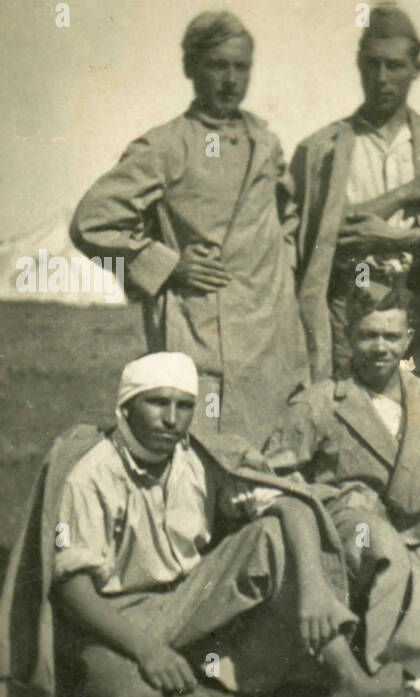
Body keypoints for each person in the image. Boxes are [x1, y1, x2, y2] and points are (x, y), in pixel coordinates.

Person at [0, 352, 420, 697]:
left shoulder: (198, 458)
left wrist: (314, 590)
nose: (170, 418)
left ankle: (349, 682)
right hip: (111, 614)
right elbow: (73, 591)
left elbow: (291, 507)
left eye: (182, 406)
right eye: (156, 403)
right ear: (126, 407)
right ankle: (102, 669)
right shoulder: (93, 472)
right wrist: (146, 650)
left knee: (274, 530)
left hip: (183, 599)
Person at [71, 11, 305, 447]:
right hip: (204, 335)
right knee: (202, 464)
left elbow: (286, 219)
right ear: (190, 68)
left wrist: (279, 270)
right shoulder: (167, 144)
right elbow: (92, 222)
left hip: (272, 338)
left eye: (241, 67)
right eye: (218, 66)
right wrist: (169, 265)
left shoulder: (266, 143)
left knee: (275, 466)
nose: (231, 80)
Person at [262, 286, 420, 680]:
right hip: (347, 545)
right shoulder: (322, 402)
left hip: (416, 547)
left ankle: (383, 649)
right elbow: (275, 476)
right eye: (368, 336)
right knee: (376, 545)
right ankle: (365, 669)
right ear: (349, 338)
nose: (380, 347)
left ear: (407, 339)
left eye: (391, 336)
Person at [289, 4, 420, 383]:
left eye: (395, 66)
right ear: (359, 65)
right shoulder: (323, 149)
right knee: (349, 411)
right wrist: (406, 193)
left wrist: (394, 235)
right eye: (373, 64)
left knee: (419, 410)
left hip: (417, 297)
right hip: (352, 299)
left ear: (416, 69)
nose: (382, 77)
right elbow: (323, 233)